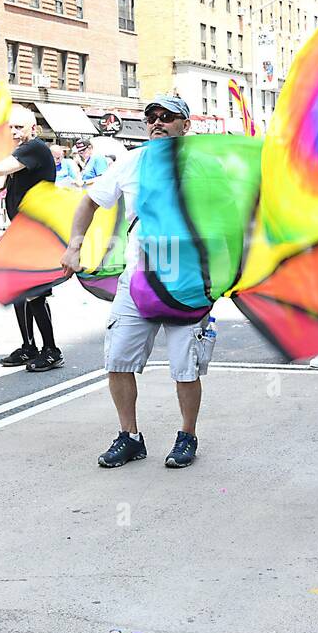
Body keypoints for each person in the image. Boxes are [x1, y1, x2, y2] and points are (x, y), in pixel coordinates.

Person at [60, 95, 212, 469]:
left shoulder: (206, 165)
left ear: (185, 125)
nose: (157, 122)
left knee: (185, 367)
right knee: (117, 360)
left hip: (187, 281)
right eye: (151, 117)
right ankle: (130, 436)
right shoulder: (130, 162)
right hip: (137, 280)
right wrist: (74, 245)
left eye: (168, 117)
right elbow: (89, 202)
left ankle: (186, 436)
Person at [0, 105, 62, 372]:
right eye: (10, 127)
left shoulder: (34, 149)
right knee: (18, 290)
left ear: (33, 129)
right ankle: (29, 347)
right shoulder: (20, 156)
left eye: (19, 127)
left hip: (37, 232)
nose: (13, 132)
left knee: (35, 293)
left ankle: (51, 350)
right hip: (21, 232)